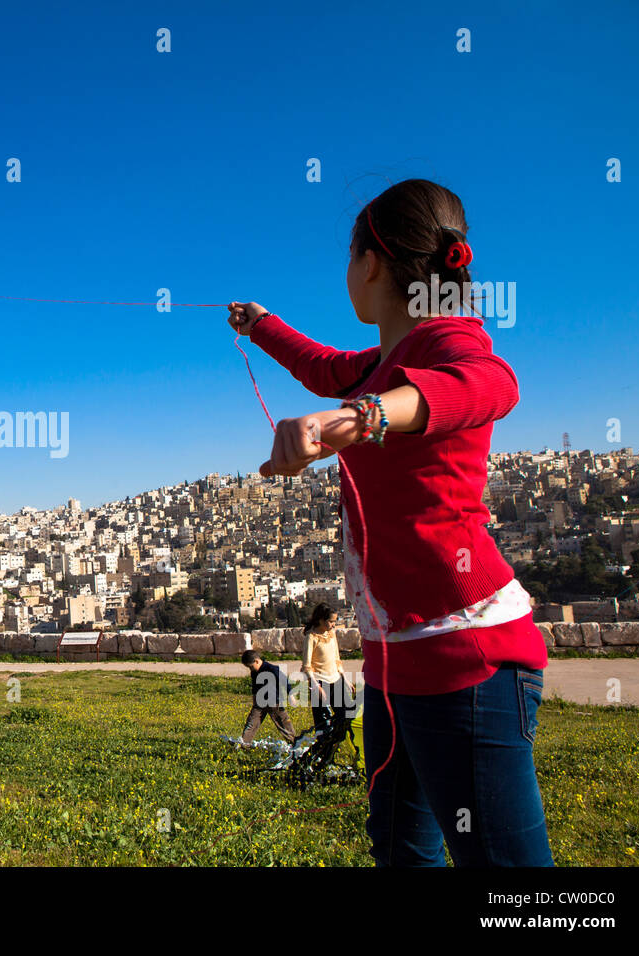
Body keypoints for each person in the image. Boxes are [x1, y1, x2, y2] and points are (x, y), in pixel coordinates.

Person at [228, 178, 552, 867]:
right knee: (402, 853)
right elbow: (323, 367)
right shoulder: (381, 364)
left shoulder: (451, 343)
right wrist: (261, 323)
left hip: (467, 658)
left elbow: (493, 386)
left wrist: (365, 418)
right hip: (393, 664)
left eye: (349, 259)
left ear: (369, 263)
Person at [300, 603, 353, 734]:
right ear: (321, 620)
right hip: (320, 682)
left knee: (345, 715)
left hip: (336, 680)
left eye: (335, 621)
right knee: (323, 723)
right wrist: (316, 686)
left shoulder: (331, 634)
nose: (334, 624)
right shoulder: (311, 637)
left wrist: (345, 679)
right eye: (331, 621)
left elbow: (336, 658)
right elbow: (307, 665)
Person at [239, 649, 297, 745]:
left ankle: (294, 743)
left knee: (284, 724)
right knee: (252, 722)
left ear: (257, 661)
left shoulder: (272, 669)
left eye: (251, 666)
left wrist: (291, 694)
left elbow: (284, 680)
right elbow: (255, 687)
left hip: (274, 702)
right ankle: (244, 744)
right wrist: (254, 698)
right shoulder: (254, 672)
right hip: (259, 703)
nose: (250, 669)